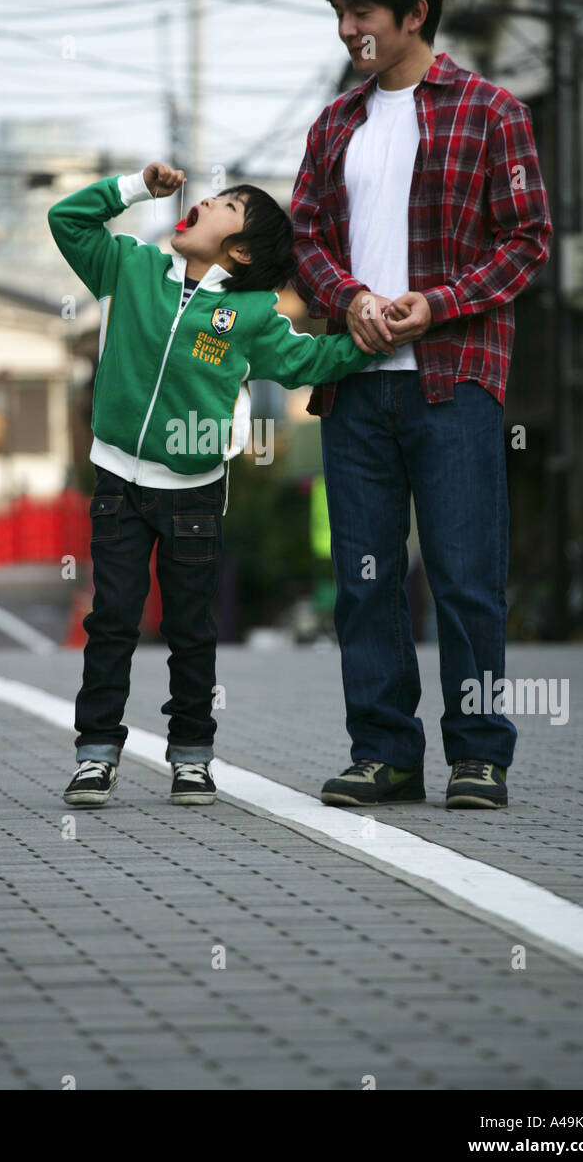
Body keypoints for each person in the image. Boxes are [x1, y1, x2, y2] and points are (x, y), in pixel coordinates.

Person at [290, 0, 552, 811]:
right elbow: (304, 237)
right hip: (355, 383)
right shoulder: (336, 124)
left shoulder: (492, 113)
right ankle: (384, 754)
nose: (346, 31)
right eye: (338, 15)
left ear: (415, 12)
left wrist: (436, 304)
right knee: (364, 583)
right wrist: (354, 299)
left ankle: (479, 756)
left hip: (455, 381)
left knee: (465, 577)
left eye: (359, 14)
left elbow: (527, 242)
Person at [47, 162, 383, 808]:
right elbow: (67, 220)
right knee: (112, 617)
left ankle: (192, 757)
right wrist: (136, 187)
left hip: (195, 489)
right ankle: (96, 755)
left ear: (240, 250)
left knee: (191, 628)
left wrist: (370, 341)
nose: (204, 200)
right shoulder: (129, 268)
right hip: (118, 476)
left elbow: (309, 359)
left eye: (226, 203)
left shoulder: (252, 316)